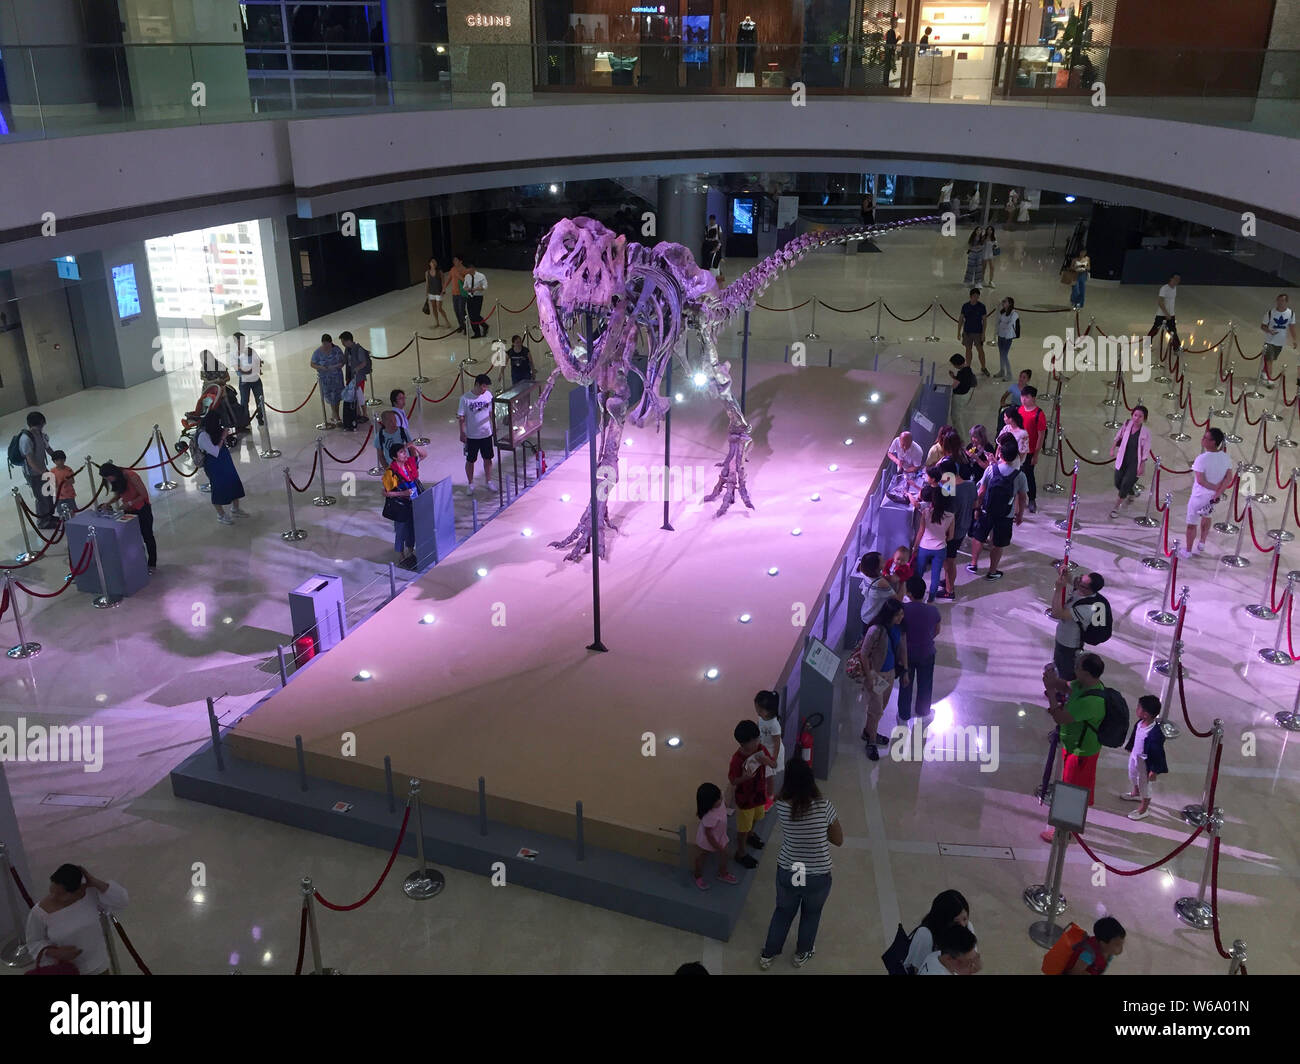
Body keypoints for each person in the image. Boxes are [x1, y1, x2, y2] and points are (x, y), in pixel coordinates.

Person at [758, 758, 842, 970]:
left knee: (783, 912)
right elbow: (838, 840)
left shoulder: (781, 804)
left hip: (790, 869)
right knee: (811, 914)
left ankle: (768, 954)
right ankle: (801, 953)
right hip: (817, 874)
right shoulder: (824, 807)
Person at [1040, 652, 1107, 841]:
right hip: (1075, 745)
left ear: (1086, 673)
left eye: (1078, 667)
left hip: (1081, 752)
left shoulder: (1091, 701)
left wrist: (1051, 693)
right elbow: (1066, 686)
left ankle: (1062, 831)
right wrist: (1054, 682)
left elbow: (1060, 717)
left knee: (1071, 790)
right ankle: (1067, 825)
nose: (1074, 668)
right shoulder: (1085, 685)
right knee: (1072, 786)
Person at [25, 864, 128, 976]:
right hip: (64, 970)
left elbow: (122, 901)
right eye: (52, 891)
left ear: (79, 890)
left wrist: (95, 882)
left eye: (60, 894)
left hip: (97, 964)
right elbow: (33, 941)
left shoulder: (91, 895)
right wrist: (55, 953)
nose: (53, 897)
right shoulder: (39, 912)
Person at [967, 436, 1028, 579]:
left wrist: (977, 509)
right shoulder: (1020, 476)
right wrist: (1019, 515)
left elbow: (981, 492)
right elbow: (1022, 497)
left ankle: (973, 564)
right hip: (1006, 515)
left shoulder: (991, 470)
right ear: (1015, 457)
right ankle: (992, 571)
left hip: (986, 510)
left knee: (979, 537)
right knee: (998, 543)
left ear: (1000, 454)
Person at [857, 598, 908, 762]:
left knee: (881, 708)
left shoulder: (897, 628)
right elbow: (863, 654)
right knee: (876, 710)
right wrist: (870, 675)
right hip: (876, 676)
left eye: (902, 614)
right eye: (898, 615)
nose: (901, 617)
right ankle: (871, 742)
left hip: (890, 673)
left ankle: (869, 731)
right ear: (889, 615)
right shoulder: (875, 630)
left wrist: (904, 670)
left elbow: (902, 649)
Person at [728, 719, 775, 869]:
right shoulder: (737, 760)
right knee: (743, 828)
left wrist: (766, 760)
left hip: (759, 794)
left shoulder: (760, 749)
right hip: (745, 799)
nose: (757, 742)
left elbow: (773, 765)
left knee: (757, 817)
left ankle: (750, 834)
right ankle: (740, 853)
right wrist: (745, 778)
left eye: (757, 738)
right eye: (754, 740)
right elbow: (733, 781)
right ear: (743, 743)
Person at [1183, 426, 1234, 557]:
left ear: (1213, 442)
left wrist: (1214, 488)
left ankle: (1188, 551)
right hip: (1213, 497)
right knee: (1207, 517)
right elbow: (1229, 477)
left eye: (1206, 438)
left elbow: (1200, 480)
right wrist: (1218, 491)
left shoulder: (1201, 458)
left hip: (1199, 496)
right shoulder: (1225, 458)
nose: (1202, 439)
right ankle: (1202, 542)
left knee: (1191, 524)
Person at [98, 461, 156, 572]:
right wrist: (109, 503)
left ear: (113, 473)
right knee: (133, 538)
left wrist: (129, 503)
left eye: (108, 477)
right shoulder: (118, 479)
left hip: (142, 509)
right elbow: (119, 494)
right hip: (129, 512)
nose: (109, 480)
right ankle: (139, 562)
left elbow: (143, 495)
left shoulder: (131, 476)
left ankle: (152, 563)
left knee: (147, 536)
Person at [898, 575, 941, 722]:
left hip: (906, 654)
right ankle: (923, 711)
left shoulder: (903, 610)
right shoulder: (933, 611)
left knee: (905, 682)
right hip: (927, 652)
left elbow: (899, 631)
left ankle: (903, 714)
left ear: (908, 594)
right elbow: (937, 630)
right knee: (925, 683)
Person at [1050, 568, 1105, 681]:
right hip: (1062, 636)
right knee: (1059, 662)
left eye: (1082, 584)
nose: (1078, 583)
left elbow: (1056, 613)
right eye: (1080, 579)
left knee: (1066, 671)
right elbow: (1072, 579)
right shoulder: (1082, 589)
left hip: (1069, 644)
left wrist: (1059, 589)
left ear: (1090, 590)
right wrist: (1064, 572)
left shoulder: (1087, 608)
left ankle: (1063, 692)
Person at [1120, 695, 1168, 821]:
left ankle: (1144, 809)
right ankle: (1136, 793)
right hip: (1135, 756)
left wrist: (1154, 770)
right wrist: (1130, 747)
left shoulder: (1155, 735)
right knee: (1132, 774)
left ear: (1146, 714)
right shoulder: (1140, 723)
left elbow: (1158, 754)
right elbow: (1134, 737)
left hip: (1145, 762)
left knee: (1145, 785)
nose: (1137, 709)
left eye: (1139, 708)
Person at [197, 410, 249, 525]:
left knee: (234, 482)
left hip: (224, 460)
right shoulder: (203, 435)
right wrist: (222, 437)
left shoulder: (214, 430)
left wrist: (223, 436)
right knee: (218, 488)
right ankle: (221, 515)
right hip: (214, 464)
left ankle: (236, 509)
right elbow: (214, 451)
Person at [904, 889, 972, 974]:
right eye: (956, 922)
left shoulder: (968, 927)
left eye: (965, 919)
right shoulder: (926, 936)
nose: (962, 925)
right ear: (944, 921)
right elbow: (919, 970)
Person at [912, 475, 954, 603]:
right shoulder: (951, 516)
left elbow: (921, 531)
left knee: (919, 573)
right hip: (940, 548)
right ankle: (930, 599)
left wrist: (915, 547)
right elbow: (951, 536)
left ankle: (916, 596)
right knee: (936, 576)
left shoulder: (926, 513)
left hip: (924, 547)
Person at [382, 442, 422, 570]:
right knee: (401, 530)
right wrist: (402, 493)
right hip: (400, 505)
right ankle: (401, 555)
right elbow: (386, 493)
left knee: (412, 529)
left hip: (413, 502)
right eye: (401, 452)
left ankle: (411, 551)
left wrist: (413, 447)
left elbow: (425, 455)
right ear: (394, 457)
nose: (405, 454)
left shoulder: (409, 464)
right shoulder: (391, 472)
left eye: (404, 451)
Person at [1109, 405, 1151, 518]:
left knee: (1125, 484)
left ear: (1144, 419)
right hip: (1122, 458)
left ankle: (1116, 507)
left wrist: (1142, 465)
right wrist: (1113, 448)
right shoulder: (1127, 425)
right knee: (1118, 482)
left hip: (1134, 462)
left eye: (1140, 416)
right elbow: (1118, 437)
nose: (1137, 418)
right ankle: (1131, 492)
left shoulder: (1146, 432)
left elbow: (1146, 449)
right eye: (1135, 415)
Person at [458, 373, 496, 495]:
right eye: (483, 387)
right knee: (470, 460)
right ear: (477, 384)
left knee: (488, 458)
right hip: (472, 436)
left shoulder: (488, 395)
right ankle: (470, 483)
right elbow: (461, 417)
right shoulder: (465, 398)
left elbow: (491, 413)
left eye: (486, 387)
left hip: (486, 434)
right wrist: (462, 433)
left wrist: (496, 425)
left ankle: (489, 481)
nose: (485, 389)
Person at [17, 411, 56, 529]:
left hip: (42, 469)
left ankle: (49, 515)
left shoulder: (40, 434)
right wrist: (42, 473)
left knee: (49, 492)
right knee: (41, 497)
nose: (41, 427)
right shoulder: (25, 439)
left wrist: (57, 457)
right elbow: (30, 460)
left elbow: (48, 448)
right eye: (40, 425)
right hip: (33, 473)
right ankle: (43, 522)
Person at [693, 782, 736, 889]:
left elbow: (724, 804)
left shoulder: (718, 799)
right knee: (702, 857)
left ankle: (723, 873)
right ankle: (697, 875)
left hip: (720, 835)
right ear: (708, 803)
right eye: (718, 800)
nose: (721, 801)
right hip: (708, 841)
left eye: (720, 798)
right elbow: (709, 835)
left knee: (724, 855)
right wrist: (719, 848)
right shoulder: (709, 816)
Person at [1018, 385, 1047, 513]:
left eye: (1027, 397)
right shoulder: (1020, 410)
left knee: (1029, 475)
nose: (1023, 399)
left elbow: (1041, 436)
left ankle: (1032, 499)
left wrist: (1036, 454)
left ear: (1033, 398)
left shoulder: (1039, 414)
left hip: (1029, 451)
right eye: (1022, 396)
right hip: (1018, 450)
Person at [754, 690, 784, 809]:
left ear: (769, 710)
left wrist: (773, 759)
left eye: (760, 710)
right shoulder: (762, 718)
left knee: (769, 776)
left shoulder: (774, 725)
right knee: (763, 774)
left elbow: (777, 743)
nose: (758, 712)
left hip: (772, 752)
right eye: (757, 709)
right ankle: (764, 792)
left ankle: (770, 797)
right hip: (763, 749)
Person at [310, 333, 346, 427]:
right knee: (330, 397)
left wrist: (338, 365)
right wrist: (321, 367)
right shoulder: (317, 352)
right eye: (324, 344)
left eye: (327, 344)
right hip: (325, 380)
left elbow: (343, 360)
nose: (326, 346)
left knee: (337, 397)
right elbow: (312, 364)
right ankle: (336, 416)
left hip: (337, 378)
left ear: (331, 342)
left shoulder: (336, 349)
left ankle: (336, 415)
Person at [917, 925, 981, 975]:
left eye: (974, 958)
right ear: (949, 958)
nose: (972, 967)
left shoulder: (937, 955)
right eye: (968, 962)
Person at [340, 331, 371, 430]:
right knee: (353, 396)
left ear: (347, 340)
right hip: (350, 376)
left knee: (359, 395)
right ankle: (357, 413)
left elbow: (364, 362)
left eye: (343, 341)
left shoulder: (358, 349)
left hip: (358, 377)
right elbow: (345, 360)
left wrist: (357, 369)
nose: (342, 343)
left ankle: (365, 414)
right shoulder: (347, 349)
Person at [233, 332, 266, 427]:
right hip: (244, 382)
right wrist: (251, 370)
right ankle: (245, 421)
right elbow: (238, 371)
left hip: (256, 380)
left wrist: (257, 366)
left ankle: (261, 416)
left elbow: (258, 361)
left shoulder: (251, 350)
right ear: (236, 342)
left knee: (260, 399)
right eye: (239, 341)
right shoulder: (235, 355)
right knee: (244, 401)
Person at [858, 551, 898, 626]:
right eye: (882, 561)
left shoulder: (866, 575)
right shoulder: (881, 583)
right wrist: (903, 583)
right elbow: (896, 599)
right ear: (876, 567)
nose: (885, 561)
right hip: (875, 619)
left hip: (865, 614)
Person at [1260, 292, 1297, 373]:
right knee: (1269, 360)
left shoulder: (1291, 314)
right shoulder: (1270, 313)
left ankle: (1264, 373)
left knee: (1271, 359)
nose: (1280, 302)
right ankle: (1269, 379)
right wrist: (1269, 331)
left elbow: (1292, 327)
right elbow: (1263, 326)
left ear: (1286, 302)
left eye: (1282, 301)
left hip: (1280, 342)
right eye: (1278, 300)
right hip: (1269, 341)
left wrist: (1294, 340)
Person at [959, 288, 989, 376]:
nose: (976, 298)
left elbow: (984, 320)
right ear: (970, 296)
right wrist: (959, 332)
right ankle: (968, 367)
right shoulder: (965, 306)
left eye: (977, 296)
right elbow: (961, 319)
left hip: (977, 332)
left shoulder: (982, 306)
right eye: (974, 296)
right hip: (967, 332)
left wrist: (983, 333)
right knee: (968, 349)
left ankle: (983, 367)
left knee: (980, 350)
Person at [1148, 274, 1181, 354]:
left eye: (1178, 279)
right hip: (1161, 315)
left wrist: (1170, 314)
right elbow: (1160, 302)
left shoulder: (1175, 288)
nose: (1177, 281)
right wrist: (1166, 314)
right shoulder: (1164, 288)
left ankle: (1176, 348)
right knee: (1154, 330)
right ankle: (1147, 346)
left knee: (1173, 331)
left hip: (1171, 314)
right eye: (1175, 279)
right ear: (1171, 279)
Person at [948, 354, 977, 438]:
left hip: (960, 397)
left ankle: (960, 437)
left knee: (956, 417)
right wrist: (954, 376)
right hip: (966, 394)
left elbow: (955, 385)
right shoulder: (968, 370)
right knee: (957, 416)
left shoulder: (962, 373)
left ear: (957, 364)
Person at [994, 296, 1020, 381]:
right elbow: (998, 320)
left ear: (1010, 304)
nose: (1003, 302)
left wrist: (1003, 326)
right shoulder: (1002, 312)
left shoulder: (1014, 313)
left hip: (1007, 337)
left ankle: (1009, 374)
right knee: (1001, 354)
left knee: (1004, 355)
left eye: (1005, 301)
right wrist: (998, 308)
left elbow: (1010, 323)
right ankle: (1002, 371)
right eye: (1003, 301)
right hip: (1000, 335)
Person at [462, 260, 489, 338]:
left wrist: (477, 288)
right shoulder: (467, 276)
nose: (467, 270)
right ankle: (477, 332)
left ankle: (484, 326)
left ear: (472, 268)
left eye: (468, 269)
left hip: (478, 297)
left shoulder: (481, 276)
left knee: (476, 315)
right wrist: (467, 289)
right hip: (470, 297)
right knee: (471, 315)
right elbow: (464, 286)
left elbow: (485, 286)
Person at [48, 450, 77, 520]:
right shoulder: (52, 471)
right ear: (54, 461)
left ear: (64, 460)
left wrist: (68, 480)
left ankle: (73, 521)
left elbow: (73, 481)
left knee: (72, 509)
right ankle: (63, 522)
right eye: (57, 460)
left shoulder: (68, 470)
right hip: (59, 496)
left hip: (69, 494)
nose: (60, 462)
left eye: (62, 460)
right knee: (60, 511)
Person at [425, 257, 452, 327]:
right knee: (434, 308)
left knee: (439, 308)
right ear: (429, 263)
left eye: (435, 262)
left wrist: (443, 290)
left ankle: (447, 321)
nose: (434, 263)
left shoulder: (440, 272)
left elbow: (443, 282)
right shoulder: (427, 273)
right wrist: (426, 293)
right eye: (432, 262)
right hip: (431, 292)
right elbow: (427, 283)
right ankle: (437, 322)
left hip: (439, 292)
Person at [446, 255, 468, 333]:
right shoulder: (452, 269)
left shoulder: (464, 270)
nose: (454, 262)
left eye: (456, 260)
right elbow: (449, 279)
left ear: (460, 261)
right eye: (454, 260)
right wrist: (444, 288)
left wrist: (460, 277)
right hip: (454, 294)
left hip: (462, 294)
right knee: (456, 310)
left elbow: (467, 282)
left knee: (461, 310)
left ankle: (466, 326)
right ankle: (461, 325)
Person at [702, 215, 725, 280]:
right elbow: (706, 236)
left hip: (716, 244)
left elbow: (720, 236)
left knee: (716, 260)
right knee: (708, 259)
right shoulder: (707, 227)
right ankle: (709, 273)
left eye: (713, 220)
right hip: (708, 244)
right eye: (711, 220)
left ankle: (717, 273)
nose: (712, 221)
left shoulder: (718, 227)